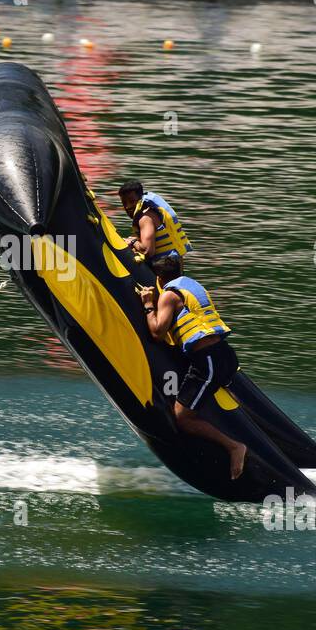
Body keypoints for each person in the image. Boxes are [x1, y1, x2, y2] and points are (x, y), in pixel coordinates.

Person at [138, 253, 247, 479]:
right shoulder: (191, 285)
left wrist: (149, 304)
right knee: (216, 403)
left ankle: (234, 447)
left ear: (159, 278)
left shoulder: (169, 295)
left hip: (208, 360)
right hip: (224, 355)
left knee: (183, 419)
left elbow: (158, 332)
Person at [118, 180, 193, 264]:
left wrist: (132, 242)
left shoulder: (145, 218)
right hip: (175, 266)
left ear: (140, 199)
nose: (128, 206)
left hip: (164, 270)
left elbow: (148, 251)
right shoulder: (152, 212)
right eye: (124, 203)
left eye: (132, 201)